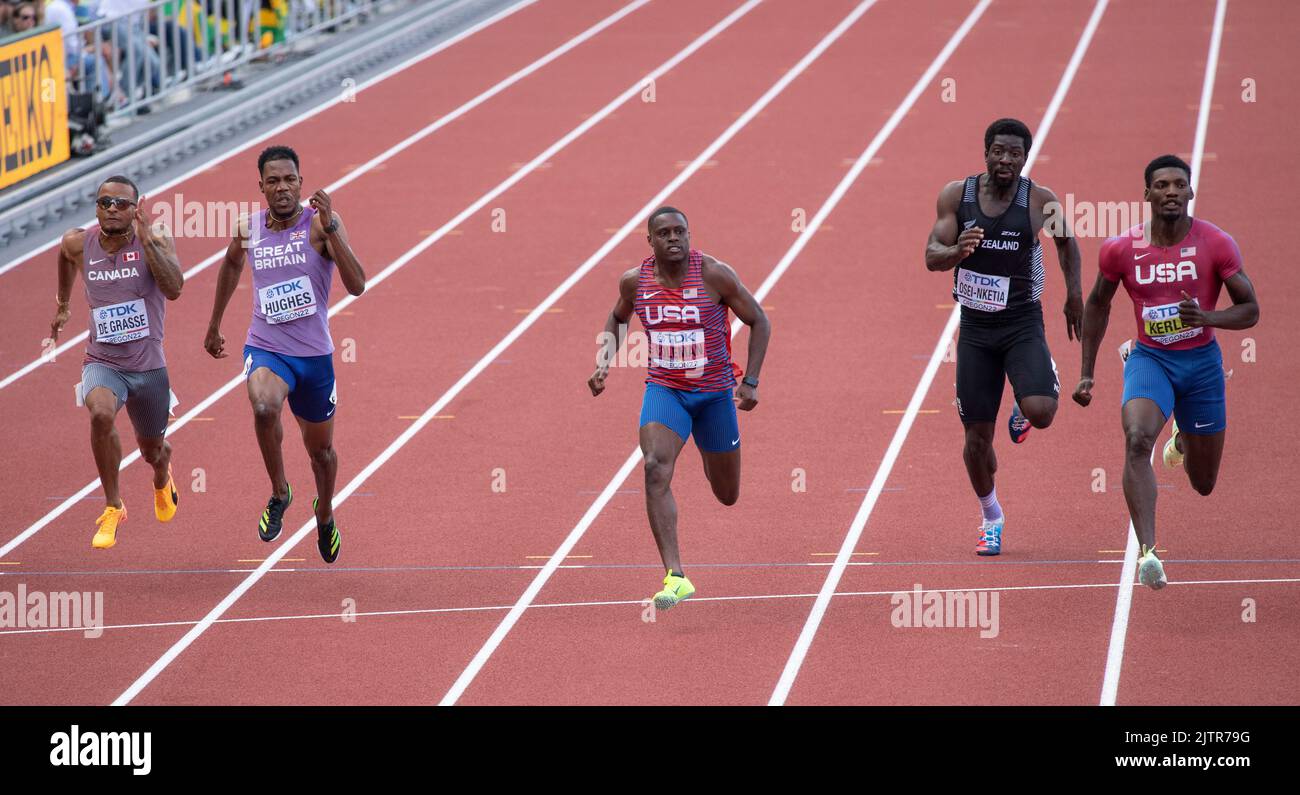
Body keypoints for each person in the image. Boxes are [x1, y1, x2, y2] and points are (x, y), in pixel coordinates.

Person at [1073, 154, 1259, 589]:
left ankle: (1183, 436)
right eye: (1162, 185)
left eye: (1179, 184)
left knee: (1203, 482)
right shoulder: (1121, 249)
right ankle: (1149, 553)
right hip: (1151, 358)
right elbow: (1098, 304)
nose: (1171, 191)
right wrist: (1087, 373)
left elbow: (1251, 310)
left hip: (1201, 366)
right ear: (1147, 194)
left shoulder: (1217, 243)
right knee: (1137, 439)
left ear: (1191, 192)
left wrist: (1206, 319)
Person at [588, 207, 771, 610]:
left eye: (680, 231)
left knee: (726, 494)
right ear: (649, 241)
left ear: (690, 235)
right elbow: (618, 318)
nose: (674, 239)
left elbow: (759, 320)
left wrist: (752, 381)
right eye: (665, 233)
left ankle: (710, 454)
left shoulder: (714, 274)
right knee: (654, 465)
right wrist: (604, 362)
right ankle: (676, 575)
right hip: (666, 390)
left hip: (714, 394)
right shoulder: (635, 282)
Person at [924, 117, 1082, 556]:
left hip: (1021, 322)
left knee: (1042, 411)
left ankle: (1031, 390)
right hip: (974, 329)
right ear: (986, 153)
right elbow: (931, 256)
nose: (1005, 159)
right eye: (998, 151)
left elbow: (1068, 242)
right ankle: (991, 517)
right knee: (976, 443)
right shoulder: (957, 196)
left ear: (1025, 157)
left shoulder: (1040, 202)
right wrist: (957, 251)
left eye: (1014, 153)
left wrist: (1074, 295)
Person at [204, 145, 366, 564]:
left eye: (289, 179)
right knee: (263, 406)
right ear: (261, 186)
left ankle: (325, 513)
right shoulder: (248, 227)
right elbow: (231, 265)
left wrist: (331, 230)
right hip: (267, 346)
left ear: (300, 181)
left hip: (314, 358)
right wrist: (215, 324)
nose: (281, 187)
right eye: (272, 180)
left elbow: (358, 284)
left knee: (321, 454)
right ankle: (280, 491)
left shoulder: (320, 226)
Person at [50, 176, 184, 549]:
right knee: (100, 414)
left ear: (136, 209)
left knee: (152, 450)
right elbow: (63, 254)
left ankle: (162, 474)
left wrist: (147, 243)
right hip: (103, 360)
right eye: (104, 202)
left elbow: (174, 288)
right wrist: (63, 303)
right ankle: (113, 506)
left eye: (121, 204)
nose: (111, 209)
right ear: (96, 207)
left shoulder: (154, 239)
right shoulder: (79, 242)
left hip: (148, 367)